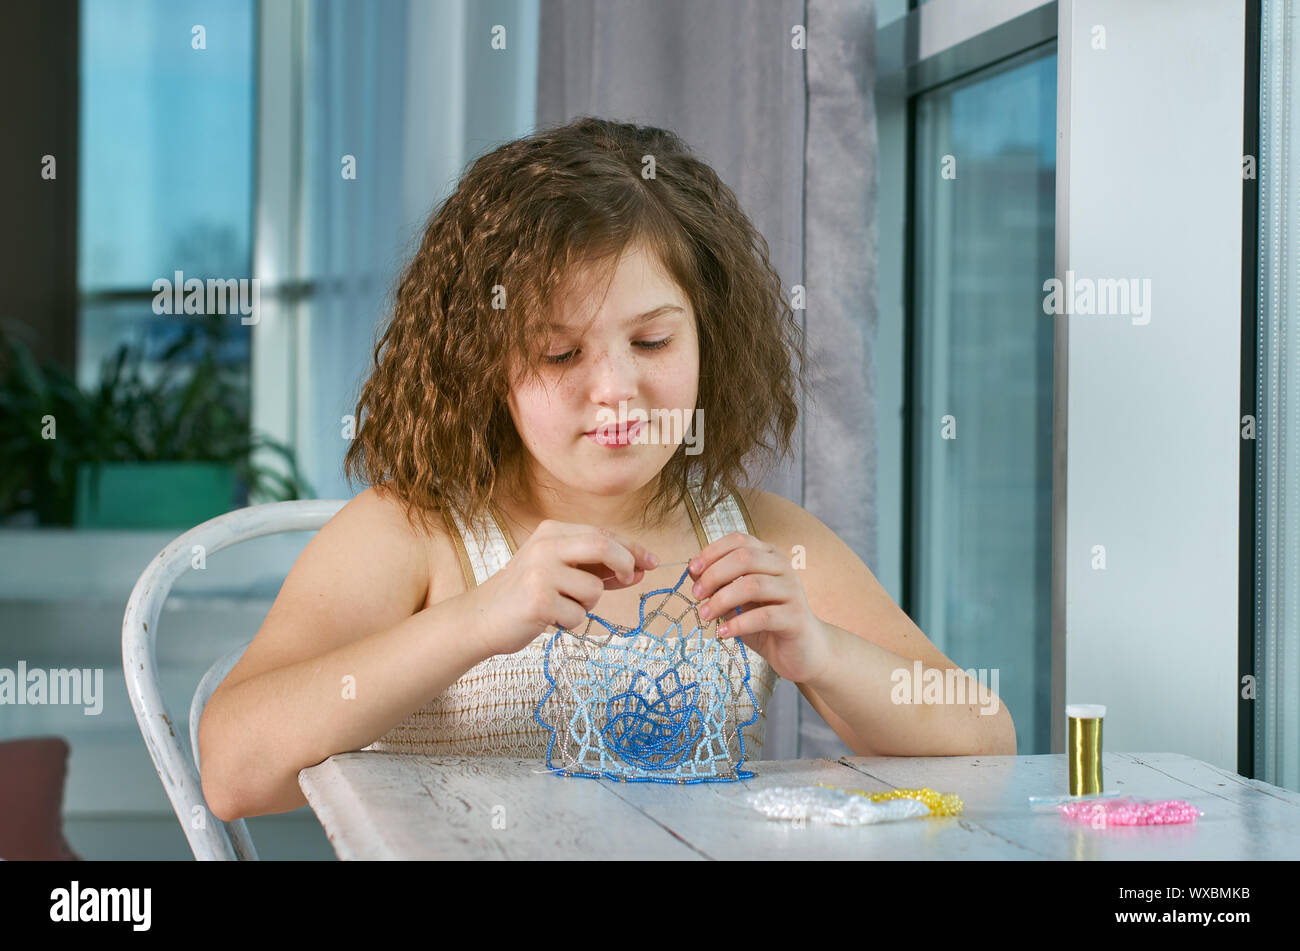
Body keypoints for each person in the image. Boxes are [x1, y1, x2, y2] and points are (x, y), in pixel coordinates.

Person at [198, 117, 1015, 823]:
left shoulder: (759, 532)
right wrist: (477, 620)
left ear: (709, 340)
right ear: (485, 363)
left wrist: (823, 653)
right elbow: (232, 770)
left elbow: (985, 743)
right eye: (560, 352)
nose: (616, 390)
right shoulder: (413, 532)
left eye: (654, 341)